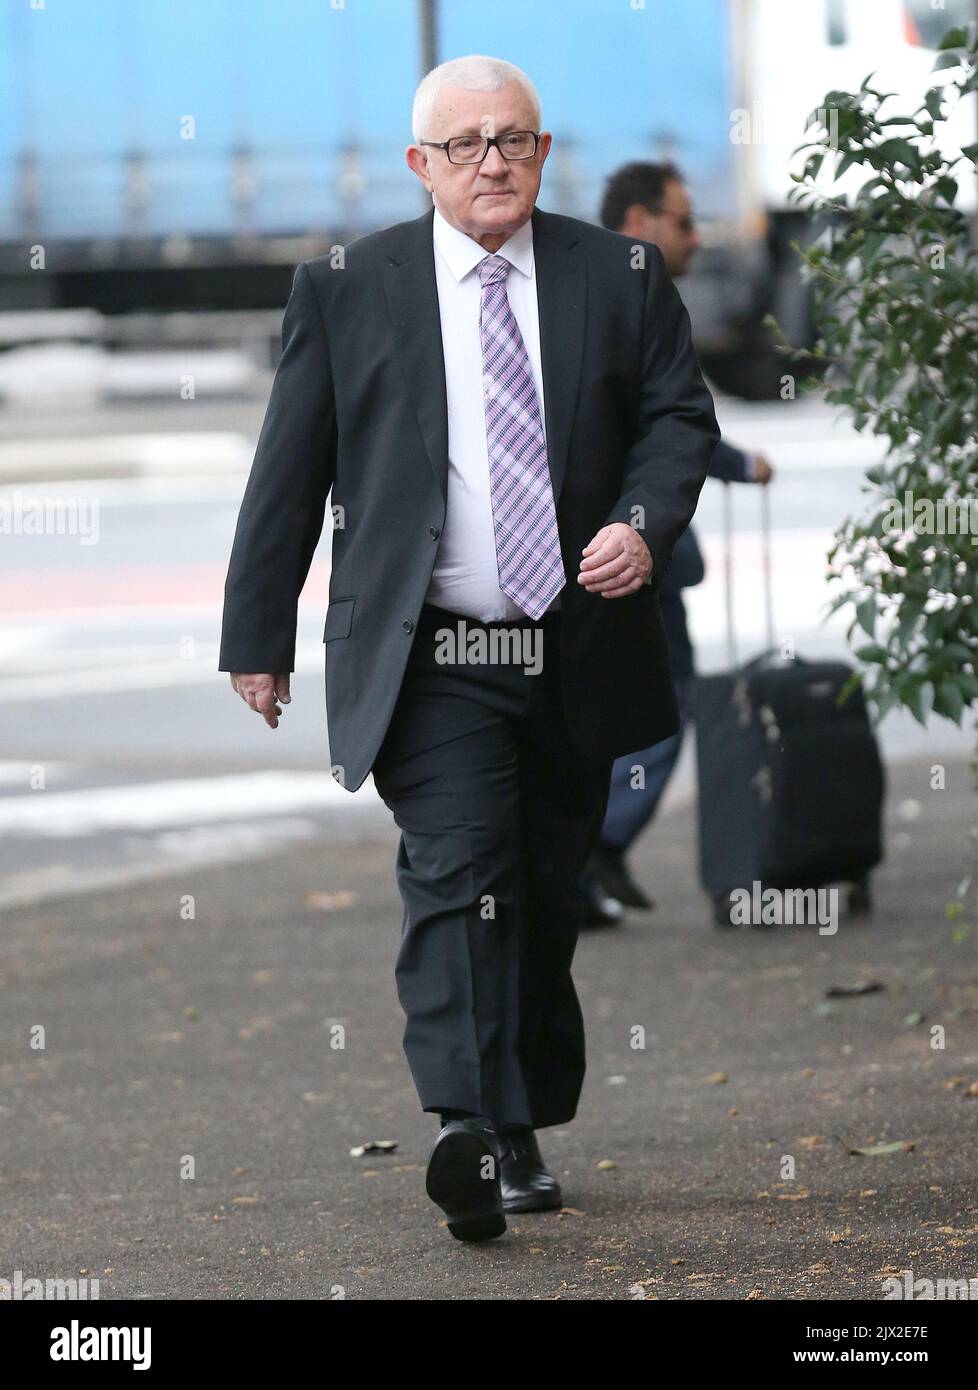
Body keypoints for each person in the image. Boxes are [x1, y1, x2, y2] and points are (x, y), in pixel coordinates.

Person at [218, 58, 719, 1243]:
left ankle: (522, 1117)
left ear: (545, 154)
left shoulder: (622, 273)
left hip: (575, 643)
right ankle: (468, 1126)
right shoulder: (346, 288)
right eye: (464, 145)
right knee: (458, 870)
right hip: (432, 651)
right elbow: (287, 470)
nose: (491, 161)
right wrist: (259, 634)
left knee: (543, 891)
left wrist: (643, 527)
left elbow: (676, 419)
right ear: (420, 165)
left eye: (513, 140)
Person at [579, 161, 774, 920]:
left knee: (608, 718)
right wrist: (735, 465)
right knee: (662, 710)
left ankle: (581, 869)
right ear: (639, 223)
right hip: (629, 556)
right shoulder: (621, 298)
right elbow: (660, 423)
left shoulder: (591, 289)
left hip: (609, 556)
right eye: (683, 220)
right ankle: (595, 846)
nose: (696, 237)